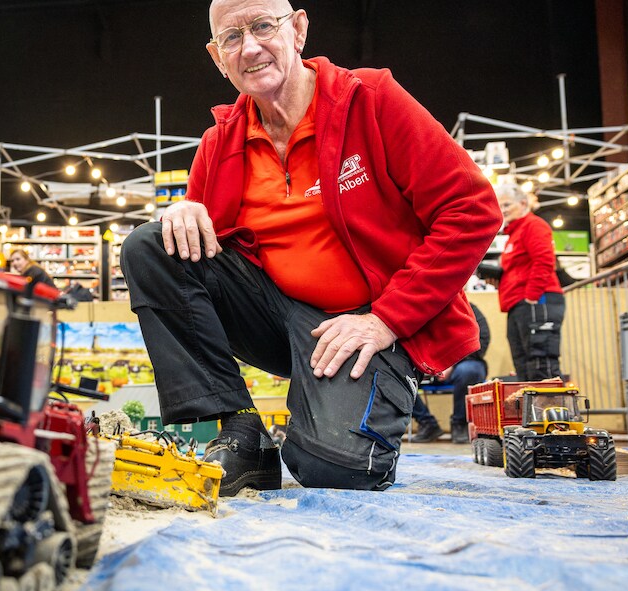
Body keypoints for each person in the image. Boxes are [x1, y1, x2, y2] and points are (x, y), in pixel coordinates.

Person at [119, 0, 501, 494]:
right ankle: (239, 429)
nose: (250, 46)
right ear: (218, 57)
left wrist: (386, 320)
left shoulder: (370, 99)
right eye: (232, 37)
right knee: (152, 246)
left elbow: (471, 209)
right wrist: (182, 209)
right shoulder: (220, 142)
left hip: (365, 323)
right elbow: (194, 246)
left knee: (333, 469)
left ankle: (352, 404)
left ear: (298, 29)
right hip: (275, 317)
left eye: (262, 26)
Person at [497, 182, 564, 380]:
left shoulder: (533, 225)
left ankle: (551, 411)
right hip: (518, 305)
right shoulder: (513, 235)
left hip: (537, 301)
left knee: (541, 363)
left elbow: (544, 260)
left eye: (507, 205)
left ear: (523, 203)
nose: (503, 210)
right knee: (524, 365)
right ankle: (534, 411)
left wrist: (532, 296)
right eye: (500, 206)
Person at [410, 303, 490, 444]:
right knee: (394, 373)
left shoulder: (469, 309)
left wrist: (452, 362)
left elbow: (480, 342)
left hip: (461, 365)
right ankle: (426, 423)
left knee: (469, 371)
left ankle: (460, 423)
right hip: (425, 365)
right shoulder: (419, 308)